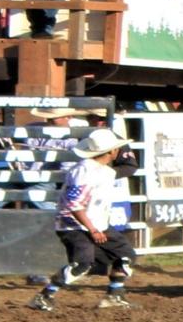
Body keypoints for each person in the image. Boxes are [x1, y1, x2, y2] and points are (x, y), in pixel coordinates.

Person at [27, 128, 138, 311]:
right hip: (75, 226)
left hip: (94, 224)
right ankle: (45, 295)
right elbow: (75, 205)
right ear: (112, 151)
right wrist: (93, 229)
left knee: (125, 255)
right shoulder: (85, 172)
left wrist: (95, 227)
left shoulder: (101, 171)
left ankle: (114, 295)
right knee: (82, 264)